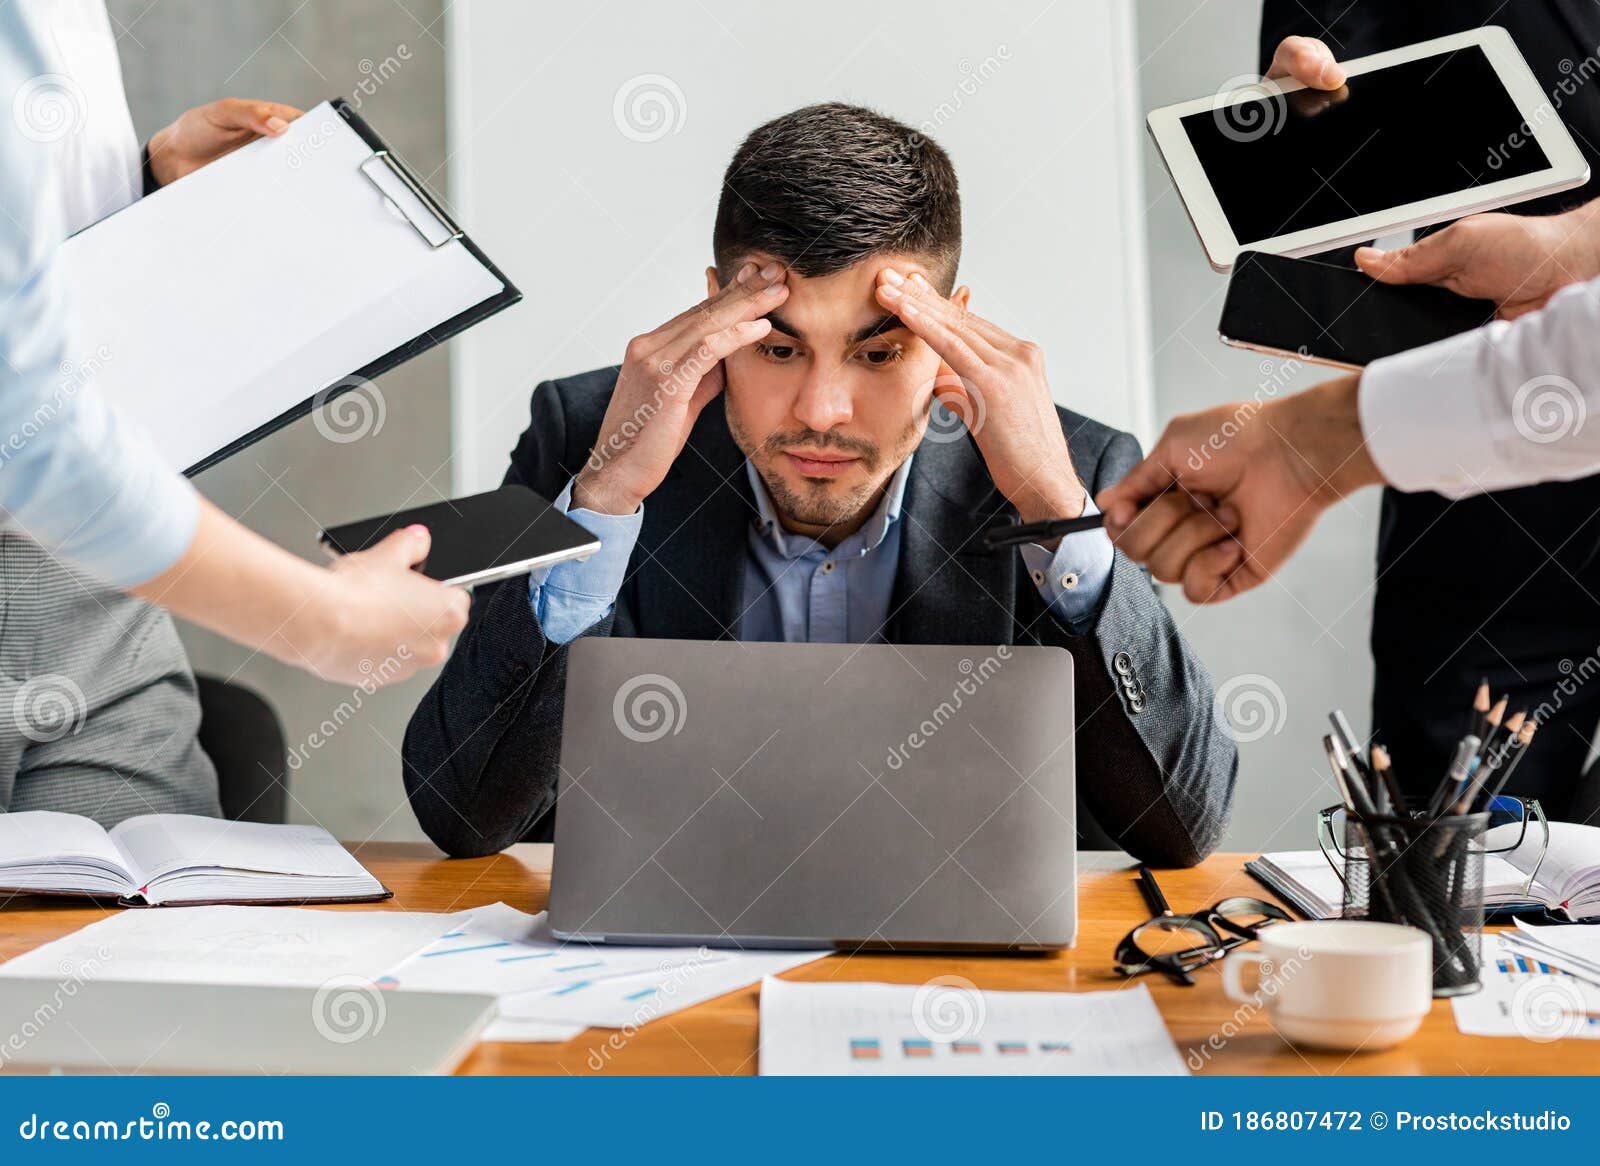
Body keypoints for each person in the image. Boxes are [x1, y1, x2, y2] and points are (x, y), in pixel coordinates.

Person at [403, 103, 1237, 867]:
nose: (822, 411)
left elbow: (1183, 826)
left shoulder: (1072, 469)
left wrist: (1054, 511)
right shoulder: (586, 440)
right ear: (716, 312)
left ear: (951, 331)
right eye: (776, 347)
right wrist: (610, 493)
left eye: (879, 353)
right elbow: (464, 811)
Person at [1127, 11, 1600, 820]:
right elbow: (1324, 87)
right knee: (1451, 862)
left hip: (1467, 404)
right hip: (1477, 466)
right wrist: (1299, 125)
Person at [1, 1, 469, 702]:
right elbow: (23, 421)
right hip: (79, 505)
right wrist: (325, 620)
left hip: (101, 571)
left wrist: (148, 190)